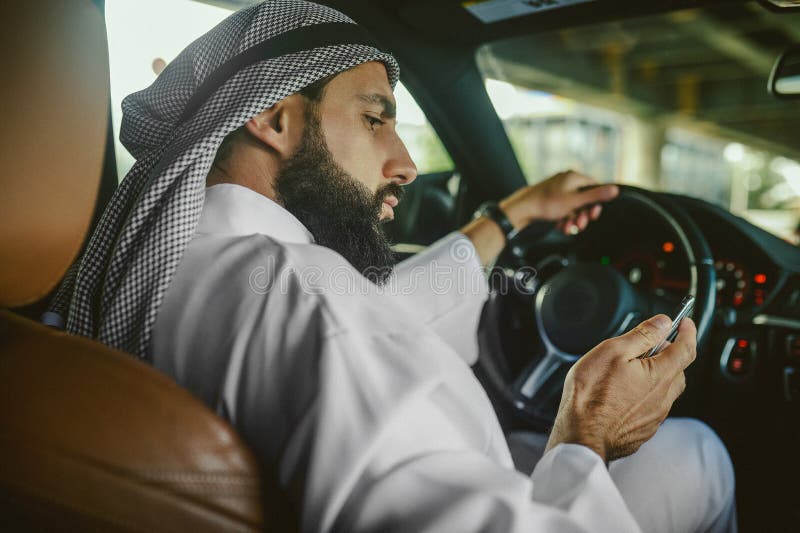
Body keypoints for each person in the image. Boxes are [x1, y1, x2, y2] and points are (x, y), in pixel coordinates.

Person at [47, 1, 736, 531]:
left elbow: (386, 316)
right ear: (277, 120)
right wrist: (586, 432)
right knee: (700, 450)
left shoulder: (183, 267)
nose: (407, 162)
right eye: (376, 119)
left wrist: (514, 214)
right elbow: (349, 329)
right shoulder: (303, 295)